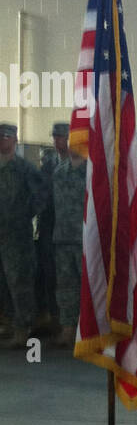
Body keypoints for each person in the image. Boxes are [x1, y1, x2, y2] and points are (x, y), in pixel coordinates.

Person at [0, 122, 46, 349]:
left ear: (15, 140)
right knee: (3, 283)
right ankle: (7, 322)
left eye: (7, 137)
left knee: (20, 282)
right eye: (0, 137)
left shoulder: (25, 168)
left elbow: (40, 198)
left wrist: (22, 215)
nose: (3, 140)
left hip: (17, 236)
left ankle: (23, 326)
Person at [35, 121, 70, 333]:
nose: (58, 141)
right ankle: (55, 318)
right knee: (50, 274)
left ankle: (71, 322)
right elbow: (40, 194)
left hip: (73, 229)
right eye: (55, 137)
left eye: (62, 137)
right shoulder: (49, 164)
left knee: (71, 278)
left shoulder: (82, 164)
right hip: (50, 227)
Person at [52, 149, 87, 346]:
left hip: (86, 240)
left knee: (89, 287)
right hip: (63, 238)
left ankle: (89, 331)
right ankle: (68, 329)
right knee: (66, 287)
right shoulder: (58, 172)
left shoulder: (93, 172)